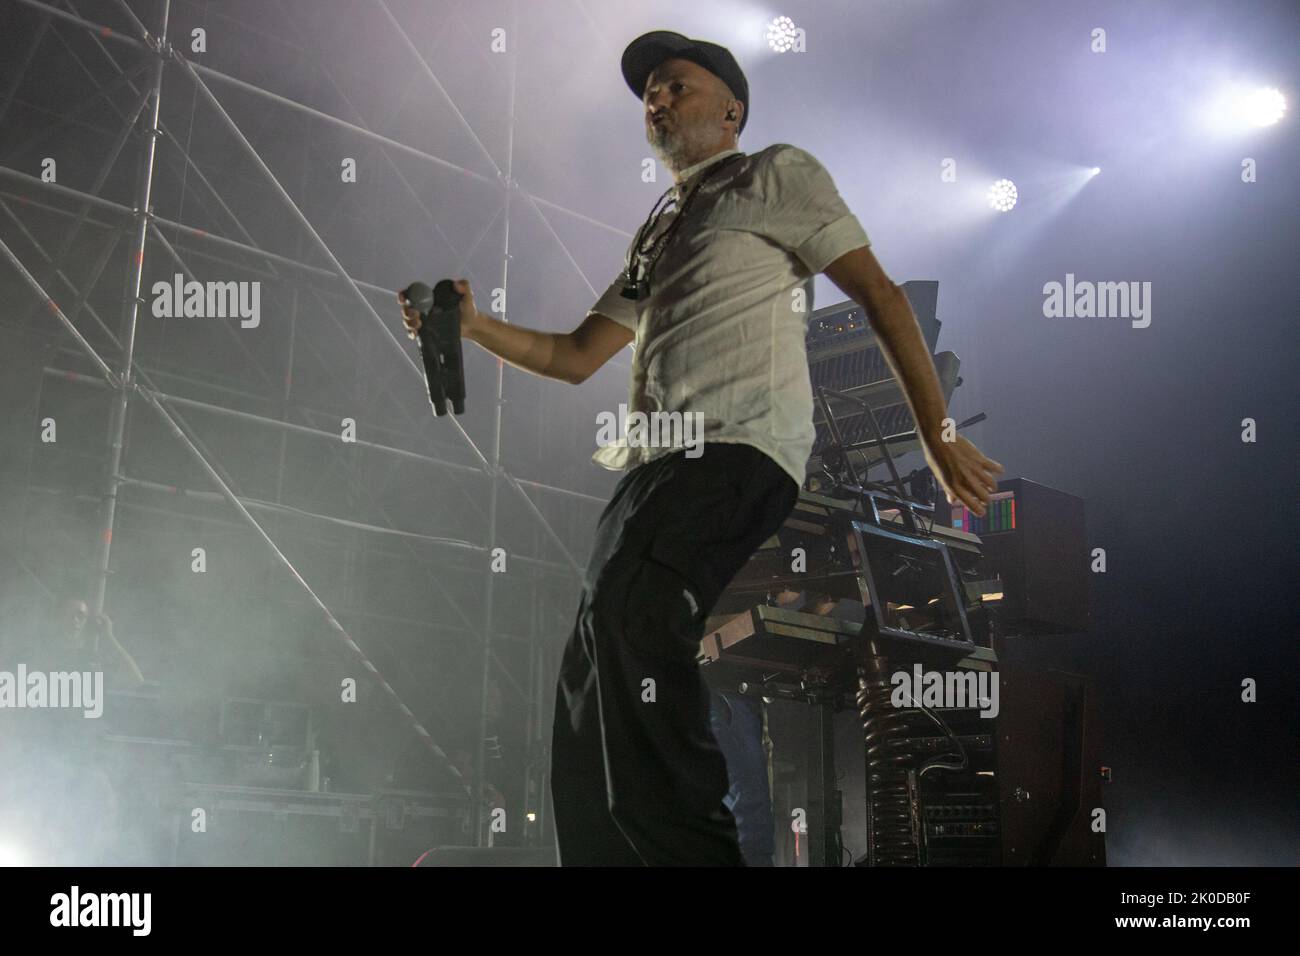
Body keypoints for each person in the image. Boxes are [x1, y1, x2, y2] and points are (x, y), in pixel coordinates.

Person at [400, 30, 1002, 865]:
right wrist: (473, 326)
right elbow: (575, 357)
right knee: (589, 663)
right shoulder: (658, 232)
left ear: (731, 108)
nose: (657, 99)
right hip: (655, 465)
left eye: (675, 84)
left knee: (631, 617)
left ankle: (694, 854)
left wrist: (936, 437)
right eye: (649, 91)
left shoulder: (773, 174)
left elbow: (879, 293)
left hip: (738, 447)